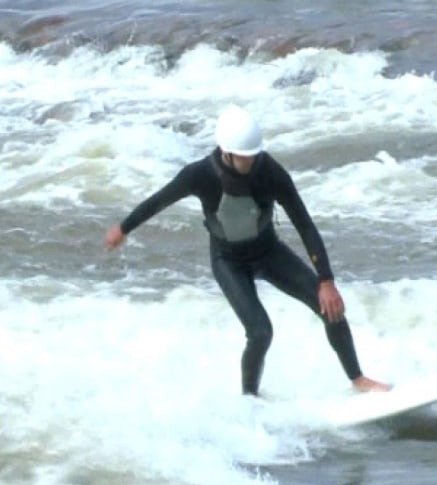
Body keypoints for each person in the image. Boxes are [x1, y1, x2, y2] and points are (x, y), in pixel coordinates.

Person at [103, 106, 390, 396]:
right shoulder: (199, 175)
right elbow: (158, 201)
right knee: (260, 332)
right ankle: (250, 399)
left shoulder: (271, 172)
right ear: (226, 152)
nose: (251, 161)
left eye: (254, 154)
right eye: (244, 156)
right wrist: (124, 229)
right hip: (228, 261)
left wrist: (326, 281)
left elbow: (305, 225)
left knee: (331, 309)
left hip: (268, 251)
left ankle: (358, 379)